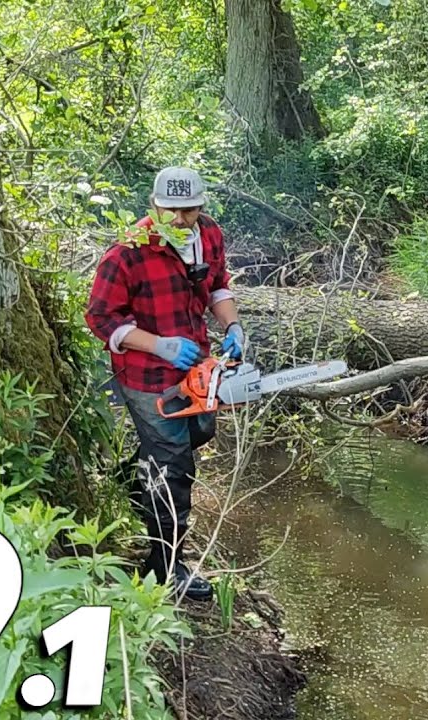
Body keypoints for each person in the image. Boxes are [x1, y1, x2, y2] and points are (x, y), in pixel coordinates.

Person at [85, 166, 246, 601]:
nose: (180, 220)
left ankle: (133, 476)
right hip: (147, 373)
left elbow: (218, 287)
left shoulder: (209, 235)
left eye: (189, 210)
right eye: (170, 211)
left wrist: (232, 325)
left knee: (201, 431)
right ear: (154, 205)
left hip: (196, 367)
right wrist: (158, 345)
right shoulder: (127, 252)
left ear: (201, 207)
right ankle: (165, 567)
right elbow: (101, 318)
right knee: (174, 467)